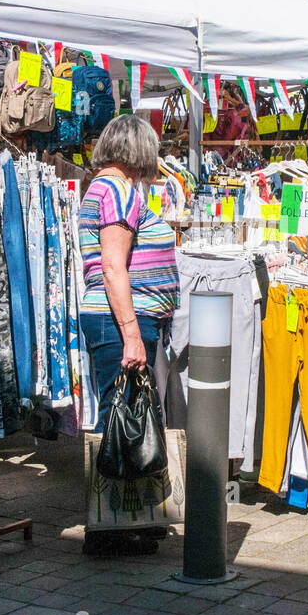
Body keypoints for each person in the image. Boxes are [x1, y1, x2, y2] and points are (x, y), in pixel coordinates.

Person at [77, 114, 179, 553]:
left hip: (118, 318)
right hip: (120, 320)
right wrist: (133, 335)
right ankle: (110, 528)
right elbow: (113, 267)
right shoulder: (117, 190)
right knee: (118, 419)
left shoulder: (104, 187)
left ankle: (129, 516)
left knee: (125, 416)